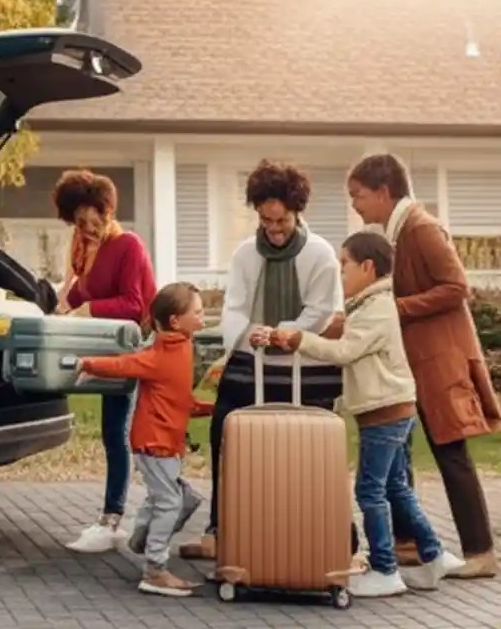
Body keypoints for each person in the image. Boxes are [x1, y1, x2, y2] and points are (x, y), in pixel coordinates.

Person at [179, 159, 349, 561]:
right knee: (226, 433)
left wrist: (282, 333)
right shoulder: (244, 254)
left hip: (307, 363)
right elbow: (234, 306)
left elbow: (321, 310)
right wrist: (251, 335)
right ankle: (221, 528)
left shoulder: (320, 254)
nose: (274, 229)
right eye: (266, 220)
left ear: (296, 212)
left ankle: (317, 530)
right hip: (251, 358)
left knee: (309, 449)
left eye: (282, 221)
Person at [347, 152, 501, 579]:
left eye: (358, 195)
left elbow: (456, 287)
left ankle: (481, 553)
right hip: (416, 361)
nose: (355, 205)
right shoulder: (398, 230)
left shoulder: (421, 228)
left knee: (450, 451)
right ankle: (408, 545)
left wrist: (396, 309)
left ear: (382, 192)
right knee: (401, 452)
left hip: (439, 359)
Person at [271, 232, 447, 597]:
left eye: (344, 265)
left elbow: (346, 351)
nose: (341, 273)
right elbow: (351, 336)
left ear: (368, 267)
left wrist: (298, 339)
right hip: (392, 407)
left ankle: (385, 569)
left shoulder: (377, 307)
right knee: (395, 486)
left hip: (384, 411)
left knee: (370, 491)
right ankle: (434, 555)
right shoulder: (370, 304)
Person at [51, 169, 179, 553]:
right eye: (80, 223)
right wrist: (60, 302)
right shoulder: (82, 248)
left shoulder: (128, 246)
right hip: (106, 346)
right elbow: (79, 292)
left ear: (108, 213)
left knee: (123, 432)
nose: (88, 230)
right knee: (122, 433)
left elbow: (134, 304)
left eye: (95, 221)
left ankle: (114, 518)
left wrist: (85, 308)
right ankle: (128, 513)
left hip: (135, 347)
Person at [77, 282, 207, 596]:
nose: (203, 319)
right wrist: (88, 364)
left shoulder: (183, 347)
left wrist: (206, 407)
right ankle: (155, 569)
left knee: (168, 496)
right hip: (154, 443)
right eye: (199, 313)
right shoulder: (160, 354)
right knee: (171, 502)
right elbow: (125, 364)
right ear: (176, 321)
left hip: (167, 443)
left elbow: (176, 394)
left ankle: (142, 538)